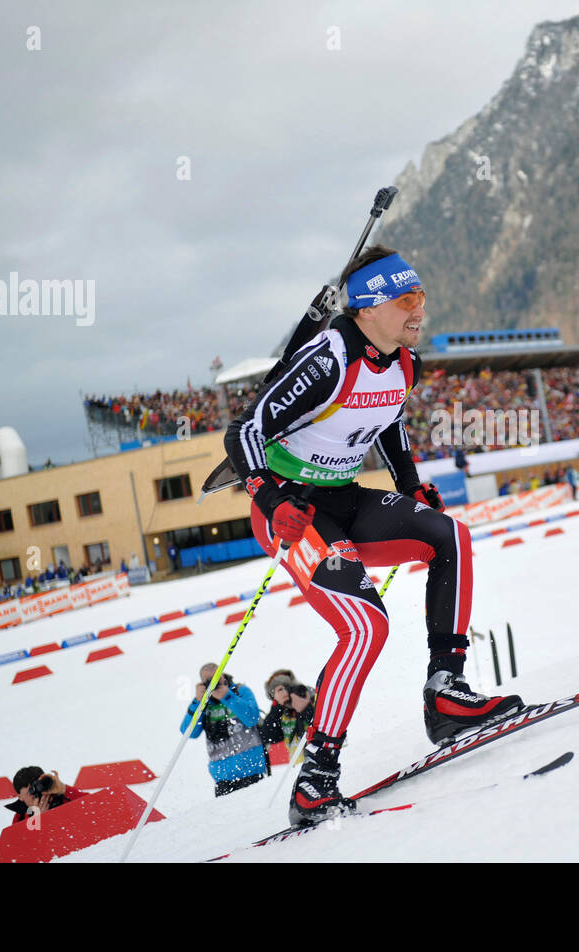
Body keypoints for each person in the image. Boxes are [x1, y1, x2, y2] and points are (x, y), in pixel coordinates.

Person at [223, 244, 522, 827]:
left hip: (343, 496)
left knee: (450, 537)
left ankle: (446, 691)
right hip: (296, 512)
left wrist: (410, 485)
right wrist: (267, 495)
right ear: (366, 308)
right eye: (406, 299)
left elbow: (388, 422)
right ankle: (316, 780)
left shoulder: (403, 362)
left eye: (422, 296)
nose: (419, 309)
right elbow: (246, 430)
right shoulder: (329, 358)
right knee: (366, 625)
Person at [180, 663, 267, 796]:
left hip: (251, 770)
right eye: (209, 680)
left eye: (216, 678)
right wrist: (198, 701)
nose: (213, 683)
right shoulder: (203, 703)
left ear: (223, 676)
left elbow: (252, 718)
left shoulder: (240, 691)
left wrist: (227, 696)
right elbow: (189, 733)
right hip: (223, 779)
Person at [5, 767, 87, 826]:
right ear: (20, 797)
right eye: (31, 792)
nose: (37, 795)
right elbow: (20, 845)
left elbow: (94, 805)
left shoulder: (61, 798)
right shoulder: (20, 818)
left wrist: (64, 789)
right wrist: (36, 820)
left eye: (39, 789)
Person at [260, 675, 315, 749]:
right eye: (280, 690)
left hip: (315, 754)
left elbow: (321, 724)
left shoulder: (308, 697)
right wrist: (277, 707)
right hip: (297, 758)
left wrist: (305, 708)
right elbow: (270, 738)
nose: (284, 692)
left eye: (286, 688)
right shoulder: (280, 713)